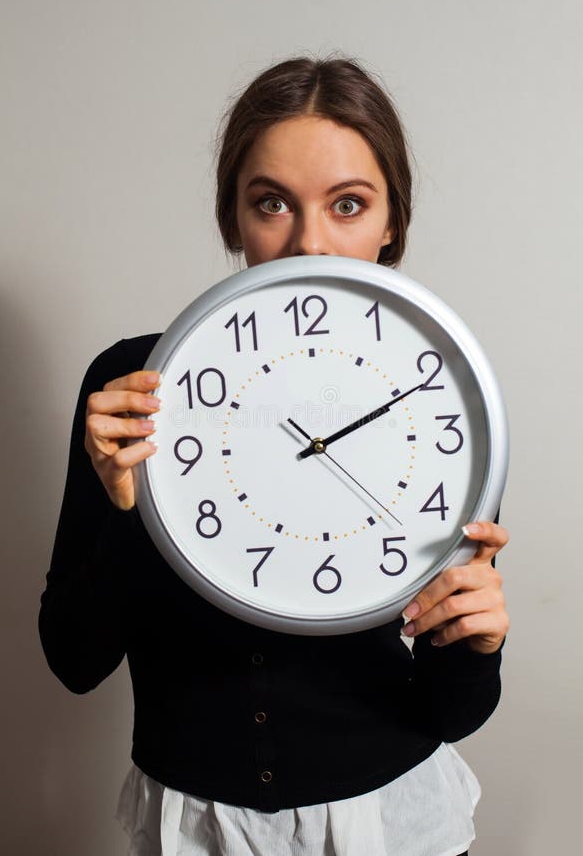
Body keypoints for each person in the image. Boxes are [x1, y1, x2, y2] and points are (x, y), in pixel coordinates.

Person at [39, 56, 509, 856]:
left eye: (349, 205)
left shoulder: (447, 400)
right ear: (233, 218)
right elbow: (73, 661)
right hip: (198, 828)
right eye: (271, 204)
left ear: (392, 221)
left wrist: (480, 646)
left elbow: (450, 713)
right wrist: (130, 512)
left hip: (390, 827)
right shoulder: (137, 386)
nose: (308, 241)